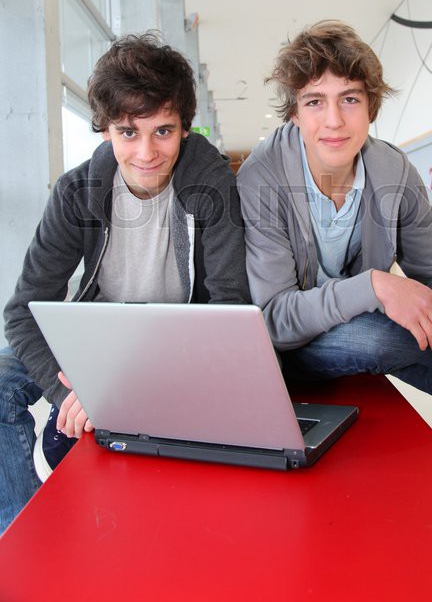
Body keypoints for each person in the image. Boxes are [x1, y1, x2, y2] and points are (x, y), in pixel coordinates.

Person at [236, 20, 432, 539]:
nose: (333, 120)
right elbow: (275, 321)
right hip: (296, 346)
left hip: (362, 320)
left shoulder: (393, 170)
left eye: (349, 99)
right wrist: (374, 285)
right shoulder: (261, 177)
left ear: (371, 105)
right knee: (383, 328)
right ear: (294, 111)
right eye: (314, 101)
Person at [1, 33, 250, 533]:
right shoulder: (77, 192)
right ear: (106, 131)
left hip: (178, 342)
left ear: (184, 127)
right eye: (128, 133)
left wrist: (132, 384)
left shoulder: (210, 180)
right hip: (95, 342)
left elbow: (231, 305)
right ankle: (22, 536)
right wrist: (72, 388)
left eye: (163, 131)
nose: (146, 153)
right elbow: (23, 311)